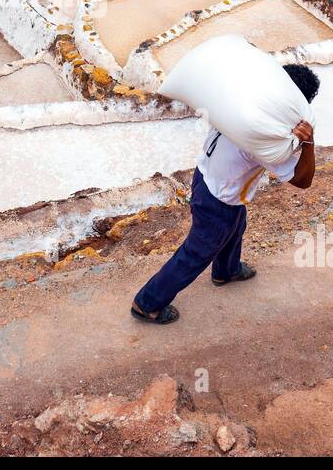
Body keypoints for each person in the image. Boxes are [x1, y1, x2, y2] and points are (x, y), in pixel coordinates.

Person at [130, 64, 319, 325]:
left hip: (204, 178)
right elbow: (302, 181)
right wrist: (308, 142)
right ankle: (147, 303)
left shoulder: (238, 104)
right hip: (218, 199)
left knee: (236, 223)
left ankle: (226, 271)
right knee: (197, 252)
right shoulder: (265, 137)